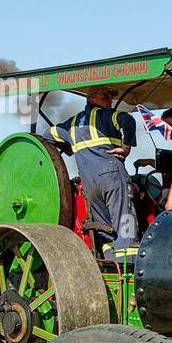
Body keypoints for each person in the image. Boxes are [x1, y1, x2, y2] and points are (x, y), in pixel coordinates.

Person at [46, 86, 138, 260]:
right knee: (125, 220)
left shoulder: (71, 124)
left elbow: (48, 135)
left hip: (89, 182)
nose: (109, 101)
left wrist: (73, 147)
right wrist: (125, 148)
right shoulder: (107, 115)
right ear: (92, 99)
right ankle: (129, 266)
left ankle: (111, 263)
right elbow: (128, 121)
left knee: (104, 227)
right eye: (106, 97)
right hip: (111, 174)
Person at [134, 109, 172, 211]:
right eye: (165, 126)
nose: (168, 129)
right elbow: (169, 168)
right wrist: (150, 162)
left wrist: (170, 199)